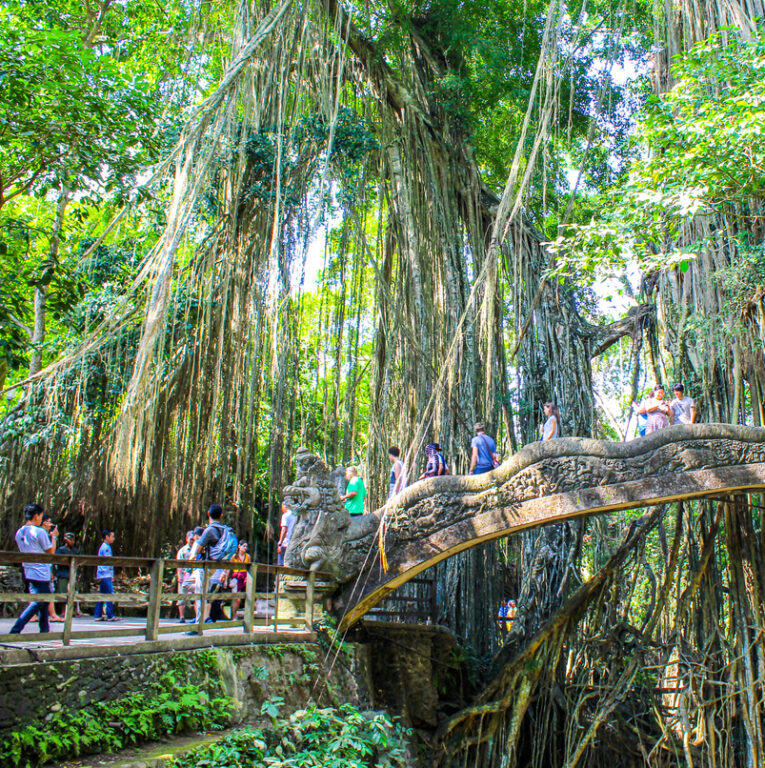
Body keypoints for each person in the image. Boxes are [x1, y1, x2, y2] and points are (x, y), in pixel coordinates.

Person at [10, 504, 57, 634]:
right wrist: (54, 537)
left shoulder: (19, 532)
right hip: (40, 571)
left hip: (28, 570)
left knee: (44, 601)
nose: (41, 520)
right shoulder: (39, 532)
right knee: (38, 602)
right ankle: (16, 629)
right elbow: (50, 551)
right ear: (36, 516)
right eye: (41, 516)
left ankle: (44, 629)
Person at [188, 505, 237, 628]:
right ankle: (203, 620)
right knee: (200, 591)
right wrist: (225, 572)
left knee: (199, 594)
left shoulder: (209, 530)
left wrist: (193, 558)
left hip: (205, 567)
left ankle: (198, 627)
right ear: (221, 515)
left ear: (208, 513)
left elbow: (196, 549)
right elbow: (229, 554)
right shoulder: (225, 531)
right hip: (216, 567)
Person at [40, 514, 64, 622]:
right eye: (49, 522)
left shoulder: (41, 533)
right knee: (48, 592)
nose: (51, 524)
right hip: (43, 567)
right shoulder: (41, 533)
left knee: (40, 592)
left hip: (39, 567)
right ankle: (52, 614)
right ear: (44, 522)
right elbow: (51, 552)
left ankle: (47, 616)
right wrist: (54, 537)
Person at [94, 530, 119, 621]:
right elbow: (108, 562)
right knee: (109, 594)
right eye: (112, 536)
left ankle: (98, 614)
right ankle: (110, 615)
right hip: (105, 574)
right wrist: (110, 574)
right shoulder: (106, 548)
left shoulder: (104, 547)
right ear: (106, 537)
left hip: (102, 574)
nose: (113, 538)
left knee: (102, 594)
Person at [54, 532, 80, 620]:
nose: (72, 542)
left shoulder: (74, 551)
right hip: (63, 574)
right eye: (71, 540)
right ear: (66, 540)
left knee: (73, 592)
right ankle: (63, 611)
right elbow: (56, 561)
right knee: (63, 592)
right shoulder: (61, 550)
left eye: (73, 540)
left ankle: (73, 610)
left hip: (72, 574)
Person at [176, 530, 195, 623]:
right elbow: (179, 564)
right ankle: (181, 616)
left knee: (196, 595)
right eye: (191, 539)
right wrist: (179, 576)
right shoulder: (182, 551)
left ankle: (197, 616)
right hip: (185, 574)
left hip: (194, 574)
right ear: (187, 539)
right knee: (182, 596)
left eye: (194, 539)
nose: (192, 541)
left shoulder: (197, 549)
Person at [229, 540, 251, 619]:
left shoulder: (247, 556)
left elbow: (249, 568)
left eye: (246, 546)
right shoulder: (234, 556)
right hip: (236, 577)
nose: (245, 548)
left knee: (247, 596)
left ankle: (247, 616)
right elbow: (229, 568)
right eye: (243, 546)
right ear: (239, 546)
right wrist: (226, 579)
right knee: (236, 598)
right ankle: (234, 616)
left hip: (244, 576)